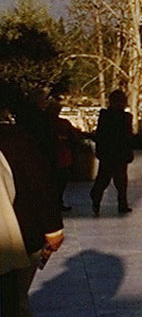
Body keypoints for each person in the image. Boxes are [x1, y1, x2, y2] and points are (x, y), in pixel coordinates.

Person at [0, 116, 64, 315]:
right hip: (14, 238)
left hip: (14, 234)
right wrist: (52, 227)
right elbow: (38, 183)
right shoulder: (14, 137)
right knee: (13, 298)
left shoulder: (13, 138)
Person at [90, 89, 134, 216]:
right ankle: (120, 204)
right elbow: (127, 137)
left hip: (109, 153)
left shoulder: (105, 116)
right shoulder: (124, 117)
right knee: (118, 180)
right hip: (117, 153)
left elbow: (100, 135)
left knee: (106, 179)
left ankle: (98, 199)